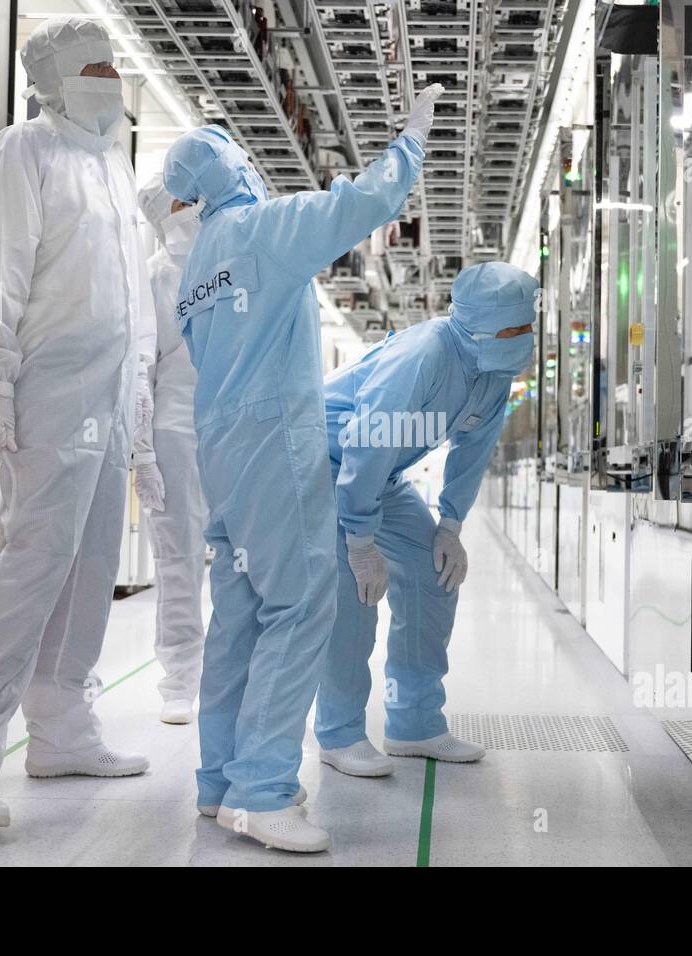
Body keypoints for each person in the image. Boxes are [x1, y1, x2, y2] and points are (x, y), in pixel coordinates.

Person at [161, 83, 443, 852]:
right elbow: (358, 205)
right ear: (232, 173)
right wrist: (409, 140)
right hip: (271, 445)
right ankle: (264, 790)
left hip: (218, 451)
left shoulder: (194, 278)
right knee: (300, 608)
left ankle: (219, 784)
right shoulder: (255, 231)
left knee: (241, 617)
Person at [0, 16, 150, 828]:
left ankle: (61, 730)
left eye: (113, 66)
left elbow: (131, 302)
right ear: (55, 76)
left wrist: (144, 409)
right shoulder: (23, 151)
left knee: (91, 567)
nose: (109, 77)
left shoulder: (113, 168)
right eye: (94, 65)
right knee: (31, 569)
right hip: (53, 393)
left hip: (113, 400)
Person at [314, 262, 538, 777]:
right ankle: (338, 732)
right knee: (356, 590)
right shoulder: (426, 354)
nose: (525, 339)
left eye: (529, 326)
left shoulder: (493, 370)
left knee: (431, 572)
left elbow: (473, 449)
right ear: (478, 323)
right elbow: (366, 445)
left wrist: (451, 526)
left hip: (380, 472)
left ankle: (414, 724)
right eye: (514, 328)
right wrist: (361, 543)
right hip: (326, 463)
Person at [134, 173, 208, 726]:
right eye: (182, 202)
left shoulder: (230, 266)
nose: (194, 209)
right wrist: (143, 452)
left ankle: (232, 673)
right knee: (179, 560)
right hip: (176, 431)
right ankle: (180, 679)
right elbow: (142, 370)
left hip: (231, 429)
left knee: (240, 561)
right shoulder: (156, 277)